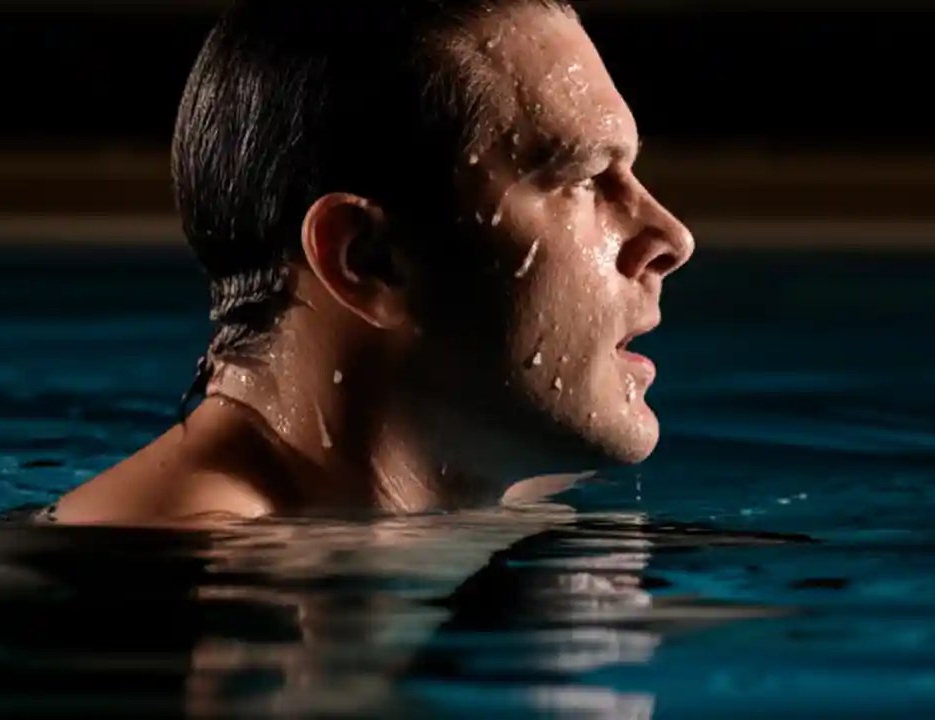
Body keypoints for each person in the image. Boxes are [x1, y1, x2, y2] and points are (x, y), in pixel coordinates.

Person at [52, 0, 694, 524]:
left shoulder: (435, 499)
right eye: (581, 178)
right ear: (368, 260)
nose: (672, 236)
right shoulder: (180, 602)